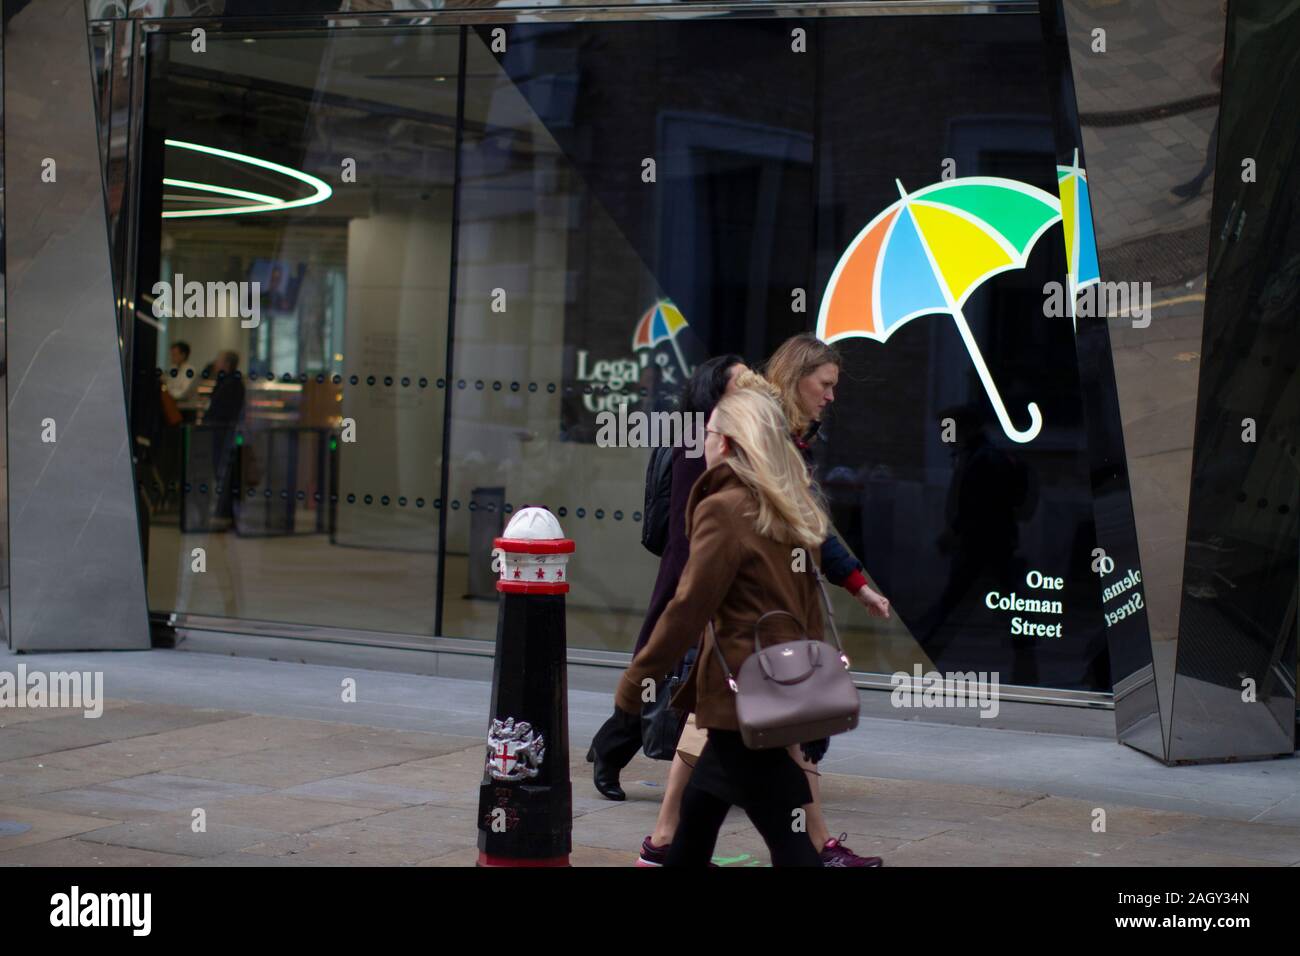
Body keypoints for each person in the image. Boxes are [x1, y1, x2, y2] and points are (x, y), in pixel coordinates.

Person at [614, 388, 840, 866]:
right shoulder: (790, 503)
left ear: (731, 442)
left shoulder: (725, 508)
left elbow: (688, 607)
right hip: (774, 685)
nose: (704, 440)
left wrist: (638, 681)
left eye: (711, 431)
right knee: (697, 817)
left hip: (743, 692)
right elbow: (810, 607)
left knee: (786, 837)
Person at [587, 355, 748, 803]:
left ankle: (714, 776)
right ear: (715, 393)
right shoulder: (698, 441)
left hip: (713, 573)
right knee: (659, 672)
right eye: (740, 384)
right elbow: (686, 526)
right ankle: (610, 749)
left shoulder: (730, 435)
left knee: (695, 678)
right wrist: (693, 588)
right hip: (690, 573)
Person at [762, 333, 890, 862]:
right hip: (766, 602)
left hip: (776, 600)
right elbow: (804, 527)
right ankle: (818, 847)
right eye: (827, 384)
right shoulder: (769, 440)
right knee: (800, 724)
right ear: (798, 379)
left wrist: (858, 583)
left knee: (730, 731)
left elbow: (813, 526)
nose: (832, 396)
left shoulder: (791, 440)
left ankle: (665, 841)